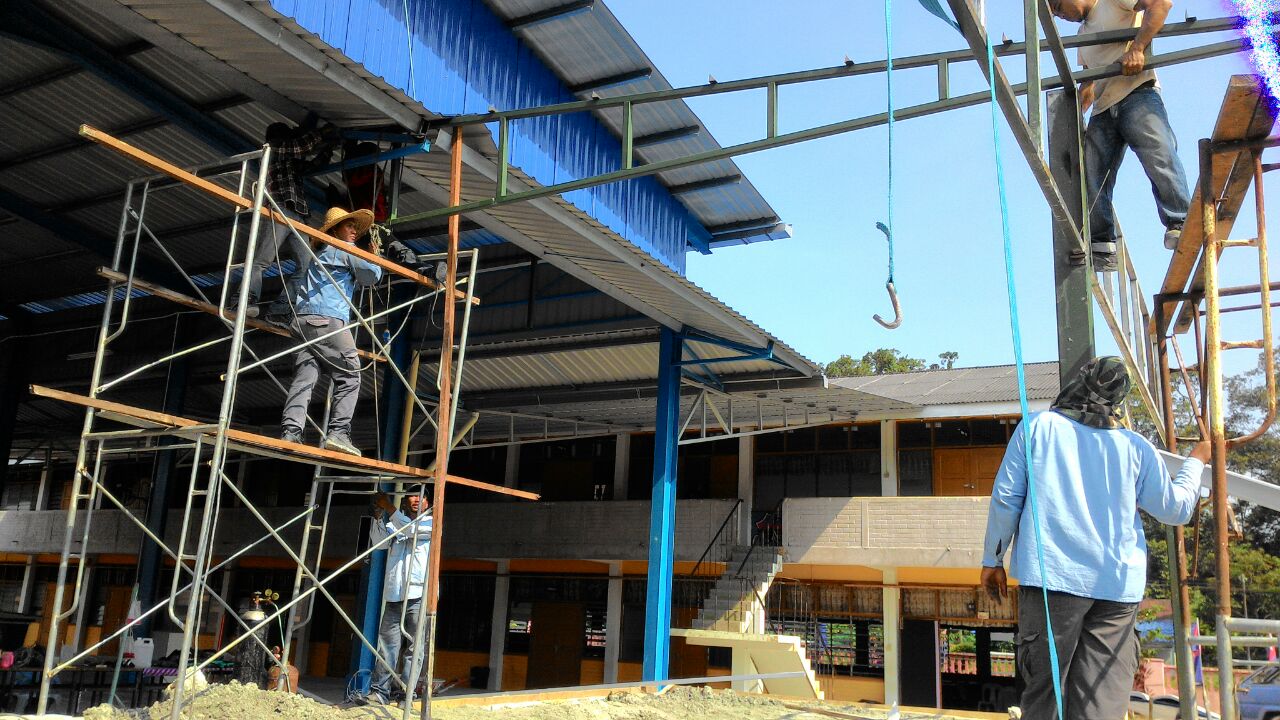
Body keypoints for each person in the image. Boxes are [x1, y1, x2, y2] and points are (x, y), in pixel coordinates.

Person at [980, 356, 1211, 719]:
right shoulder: (1136, 447)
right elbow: (1176, 509)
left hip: (1052, 584)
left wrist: (992, 561)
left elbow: (1006, 500)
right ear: (1120, 399)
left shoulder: (1037, 428)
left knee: (1045, 696)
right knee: (1101, 702)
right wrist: (1195, 461)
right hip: (1117, 590)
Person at [1049, 0, 1192, 271]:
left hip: (1137, 92)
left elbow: (1161, 4)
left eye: (1057, 6)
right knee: (1092, 175)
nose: (1059, 15)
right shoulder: (1082, 36)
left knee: (1159, 154)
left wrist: (1137, 48)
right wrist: (1071, 116)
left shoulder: (1112, 2)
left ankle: (1181, 220)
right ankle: (1102, 246)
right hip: (1104, 109)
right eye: (1055, 13)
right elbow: (1089, 82)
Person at [279, 207, 381, 456]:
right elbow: (372, 276)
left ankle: (291, 431)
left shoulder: (319, 251)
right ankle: (338, 432)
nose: (354, 231)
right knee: (350, 374)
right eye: (349, 226)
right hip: (328, 320)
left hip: (302, 321)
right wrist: (375, 258)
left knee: (305, 377)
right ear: (335, 229)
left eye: (355, 227)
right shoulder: (343, 249)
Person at [231, 121, 339, 317]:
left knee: (306, 266)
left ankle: (282, 308)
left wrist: (328, 149)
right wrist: (321, 133)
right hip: (280, 208)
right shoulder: (274, 149)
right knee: (263, 260)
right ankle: (243, 300)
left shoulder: (287, 160)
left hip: (297, 214)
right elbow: (299, 146)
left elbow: (313, 164)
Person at [361, 489, 432, 707]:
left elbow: (411, 531)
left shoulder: (431, 523)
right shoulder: (395, 522)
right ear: (404, 501)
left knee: (414, 647)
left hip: (418, 594)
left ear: (428, 502)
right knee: (387, 646)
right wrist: (378, 517)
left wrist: (389, 508)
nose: (415, 498)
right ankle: (380, 691)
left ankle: (406, 694)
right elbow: (380, 543)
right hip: (394, 594)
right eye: (411, 495)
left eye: (420, 495)